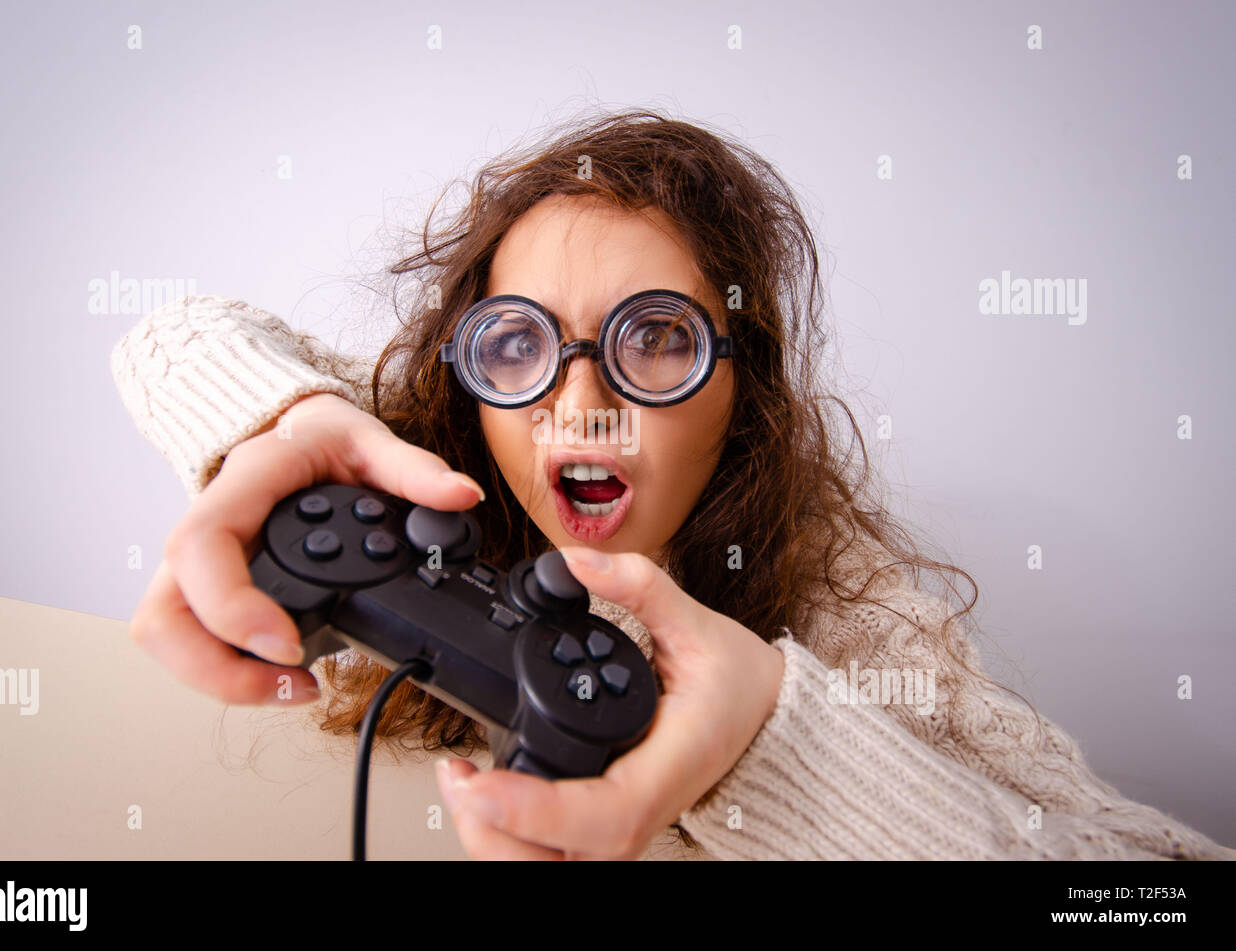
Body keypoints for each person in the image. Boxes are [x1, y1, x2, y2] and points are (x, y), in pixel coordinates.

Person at [110, 109, 1233, 861]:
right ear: (469, 375)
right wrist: (285, 421)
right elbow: (178, 329)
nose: (576, 402)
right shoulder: (438, 472)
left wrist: (778, 736)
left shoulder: (849, 608)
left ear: (741, 390)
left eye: (654, 338)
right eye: (517, 344)